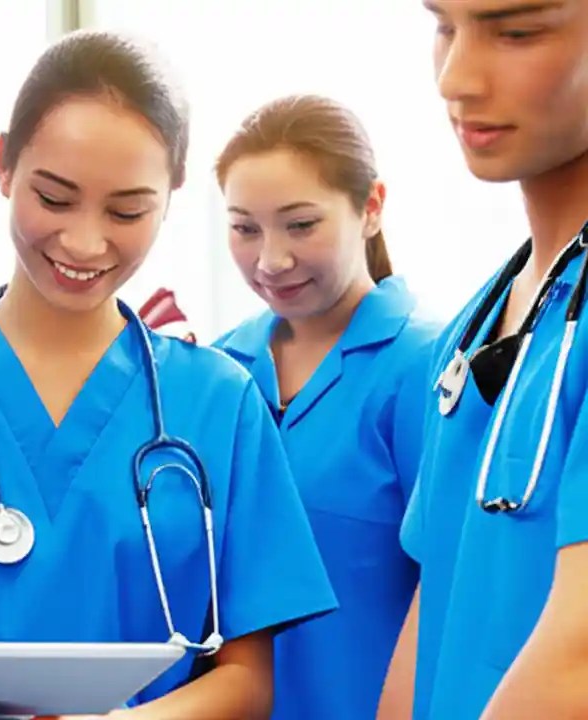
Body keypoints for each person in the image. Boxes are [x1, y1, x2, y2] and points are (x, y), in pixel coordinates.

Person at [0, 29, 337, 719]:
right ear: (4, 166)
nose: (83, 241)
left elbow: (246, 682)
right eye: (53, 197)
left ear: (171, 194)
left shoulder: (222, 404)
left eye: (127, 210)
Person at [378, 2, 588, 719]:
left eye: (516, 31)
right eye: (444, 27)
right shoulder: (470, 333)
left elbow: (579, 660)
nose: (456, 78)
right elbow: (432, 611)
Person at [210, 94, 439, 720]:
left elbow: (455, 587)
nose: (270, 260)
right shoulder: (216, 372)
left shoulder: (430, 367)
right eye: (244, 227)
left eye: (301, 224)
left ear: (371, 208)